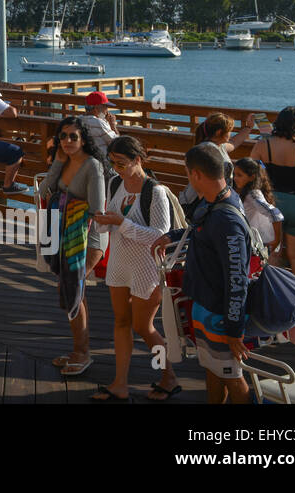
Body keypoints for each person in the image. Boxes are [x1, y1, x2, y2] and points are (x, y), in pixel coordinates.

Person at [147, 143, 252, 403]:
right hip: (205, 306)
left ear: (195, 174)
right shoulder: (215, 201)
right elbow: (200, 232)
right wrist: (173, 236)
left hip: (219, 315)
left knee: (232, 377)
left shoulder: (226, 220)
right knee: (213, 369)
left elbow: (237, 277)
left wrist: (235, 329)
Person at [89, 136, 179, 402]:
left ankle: (169, 376)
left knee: (144, 326)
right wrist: (102, 222)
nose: (116, 169)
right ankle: (120, 383)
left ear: (138, 160)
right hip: (119, 261)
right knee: (120, 322)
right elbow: (111, 225)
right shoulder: (115, 182)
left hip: (147, 267)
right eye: (113, 163)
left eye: (121, 163)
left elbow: (159, 236)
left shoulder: (156, 191)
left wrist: (121, 222)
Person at [37, 115, 107, 378]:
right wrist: (56, 162)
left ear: (83, 139)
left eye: (73, 136)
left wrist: (71, 209)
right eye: (62, 136)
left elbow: (97, 209)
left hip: (87, 239)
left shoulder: (93, 166)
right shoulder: (63, 161)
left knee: (74, 291)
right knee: (73, 291)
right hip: (67, 236)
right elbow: (45, 192)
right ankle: (79, 350)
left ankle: (83, 353)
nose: (67, 141)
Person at [248, 106, 295, 284]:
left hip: (272, 204)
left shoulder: (262, 145)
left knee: (274, 253)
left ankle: (277, 296)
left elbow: (250, 169)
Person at [231, 157, 283, 251]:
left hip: (253, 244)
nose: (235, 178)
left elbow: (275, 214)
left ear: (252, 177)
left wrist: (276, 240)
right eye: (234, 174)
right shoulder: (242, 192)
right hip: (245, 240)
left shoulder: (253, 194)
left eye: (239, 175)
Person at [82, 91, 120, 157]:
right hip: (102, 161)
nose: (107, 111)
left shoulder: (78, 120)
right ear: (96, 108)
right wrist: (113, 125)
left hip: (85, 159)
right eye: (105, 107)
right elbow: (117, 143)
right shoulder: (99, 123)